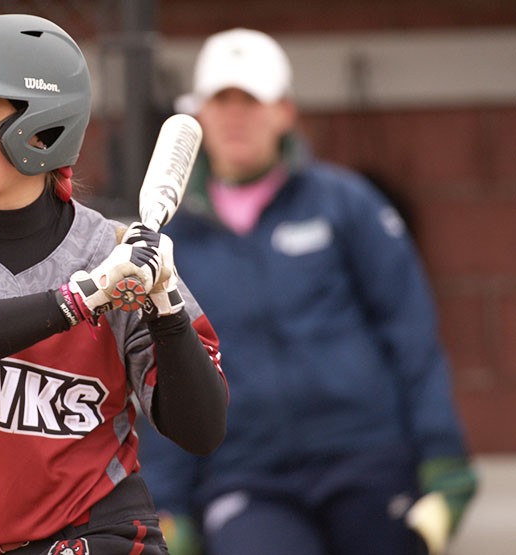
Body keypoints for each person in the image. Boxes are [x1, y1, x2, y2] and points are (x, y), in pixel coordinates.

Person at [0, 14, 229, 555]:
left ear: (43, 130)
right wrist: (79, 299)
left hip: (96, 535)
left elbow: (200, 429)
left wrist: (167, 308)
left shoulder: (109, 251)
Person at [136, 28, 478, 555]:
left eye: (251, 101)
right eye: (221, 101)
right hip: (244, 473)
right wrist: (168, 503)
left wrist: (444, 457)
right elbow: (164, 372)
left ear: (285, 112)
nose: (235, 116)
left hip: (366, 457)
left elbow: (410, 333)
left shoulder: (347, 204)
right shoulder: (170, 239)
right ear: (199, 114)